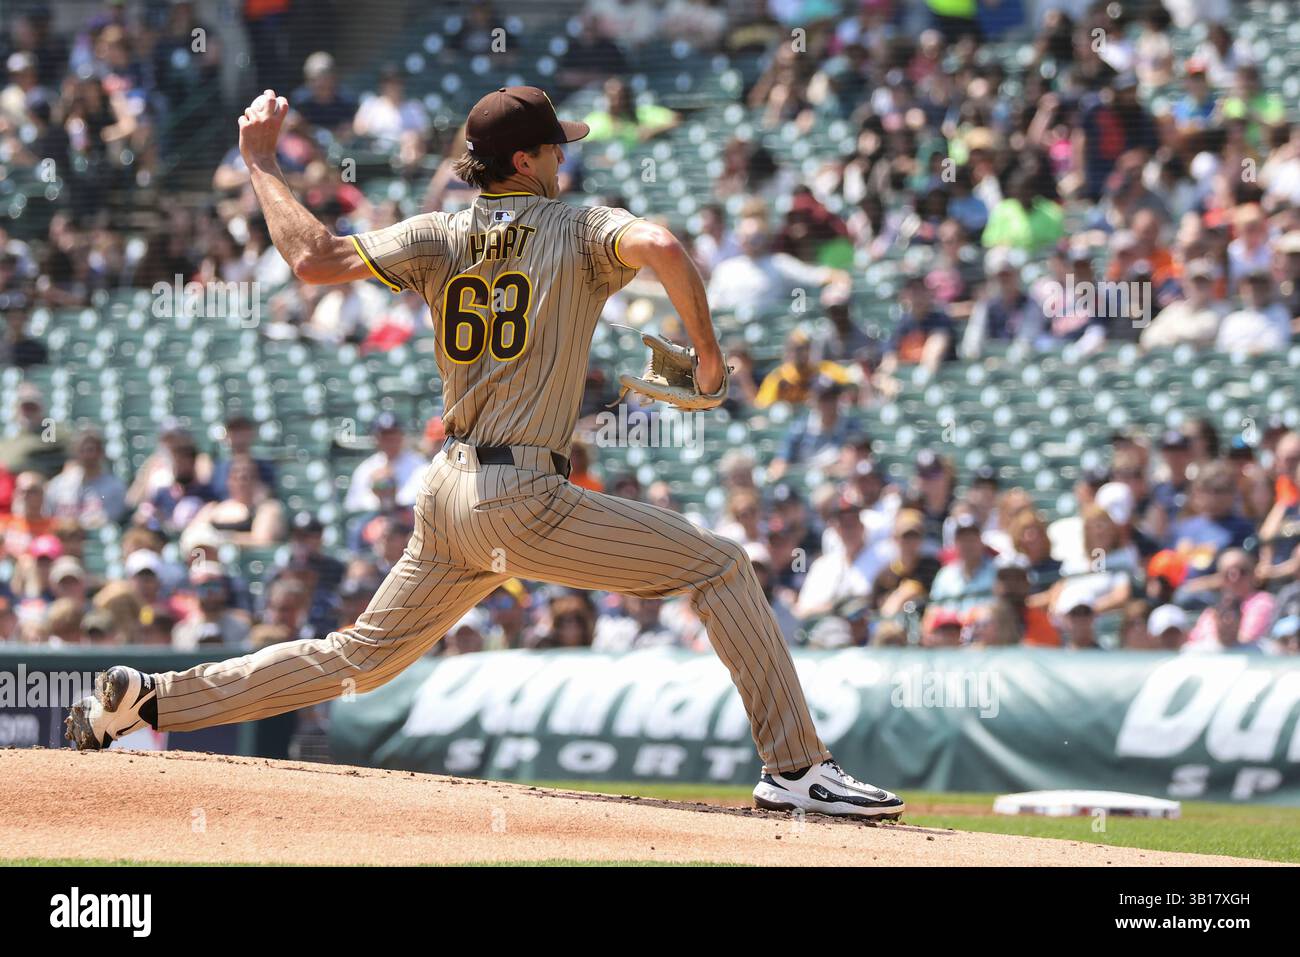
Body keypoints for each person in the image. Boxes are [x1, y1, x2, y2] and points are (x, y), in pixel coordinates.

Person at [68, 85, 903, 820]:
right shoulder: (574, 225)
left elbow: (311, 260)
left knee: (356, 656)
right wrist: (711, 359)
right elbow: (665, 248)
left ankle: (145, 701)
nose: (564, 159)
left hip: (447, 492)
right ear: (528, 158)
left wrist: (261, 164)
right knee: (721, 565)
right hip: (520, 496)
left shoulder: (440, 231)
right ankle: (796, 769)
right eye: (556, 147)